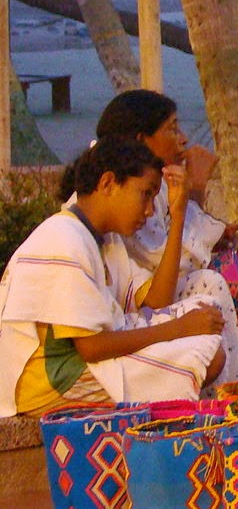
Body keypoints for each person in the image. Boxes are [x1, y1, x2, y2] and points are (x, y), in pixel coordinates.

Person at [0, 139, 226, 416]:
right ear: (108, 183)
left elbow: (155, 302)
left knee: (204, 309)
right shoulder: (64, 239)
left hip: (78, 366)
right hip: (52, 384)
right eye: (145, 194)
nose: (150, 211)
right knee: (207, 355)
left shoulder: (102, 240)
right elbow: (92, 347)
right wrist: (179, 329)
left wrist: (178, 217)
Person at [90, 90, 238, 382]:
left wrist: (204, 223)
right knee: (210, 283)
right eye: (172, 128)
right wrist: (196, 189)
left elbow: (183, 249)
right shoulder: (124, 189)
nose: (183, 139)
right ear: (141, 140)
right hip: (137, 317)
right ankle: (233, 392)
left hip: (155, 304)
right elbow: (172, 272)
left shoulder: (153, 181)